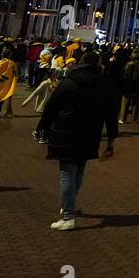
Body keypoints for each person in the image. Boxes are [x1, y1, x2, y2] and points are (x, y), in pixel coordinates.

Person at [34, 51, 118, 230]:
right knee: (78, 171)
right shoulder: (104, 84)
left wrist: (42, 127)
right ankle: (68, 204)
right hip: (91, 132)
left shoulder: (68, 81)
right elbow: (111, 113)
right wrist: (112, 136)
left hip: (66, 131)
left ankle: (68, 215)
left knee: (67, 173)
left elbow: (51, 107)